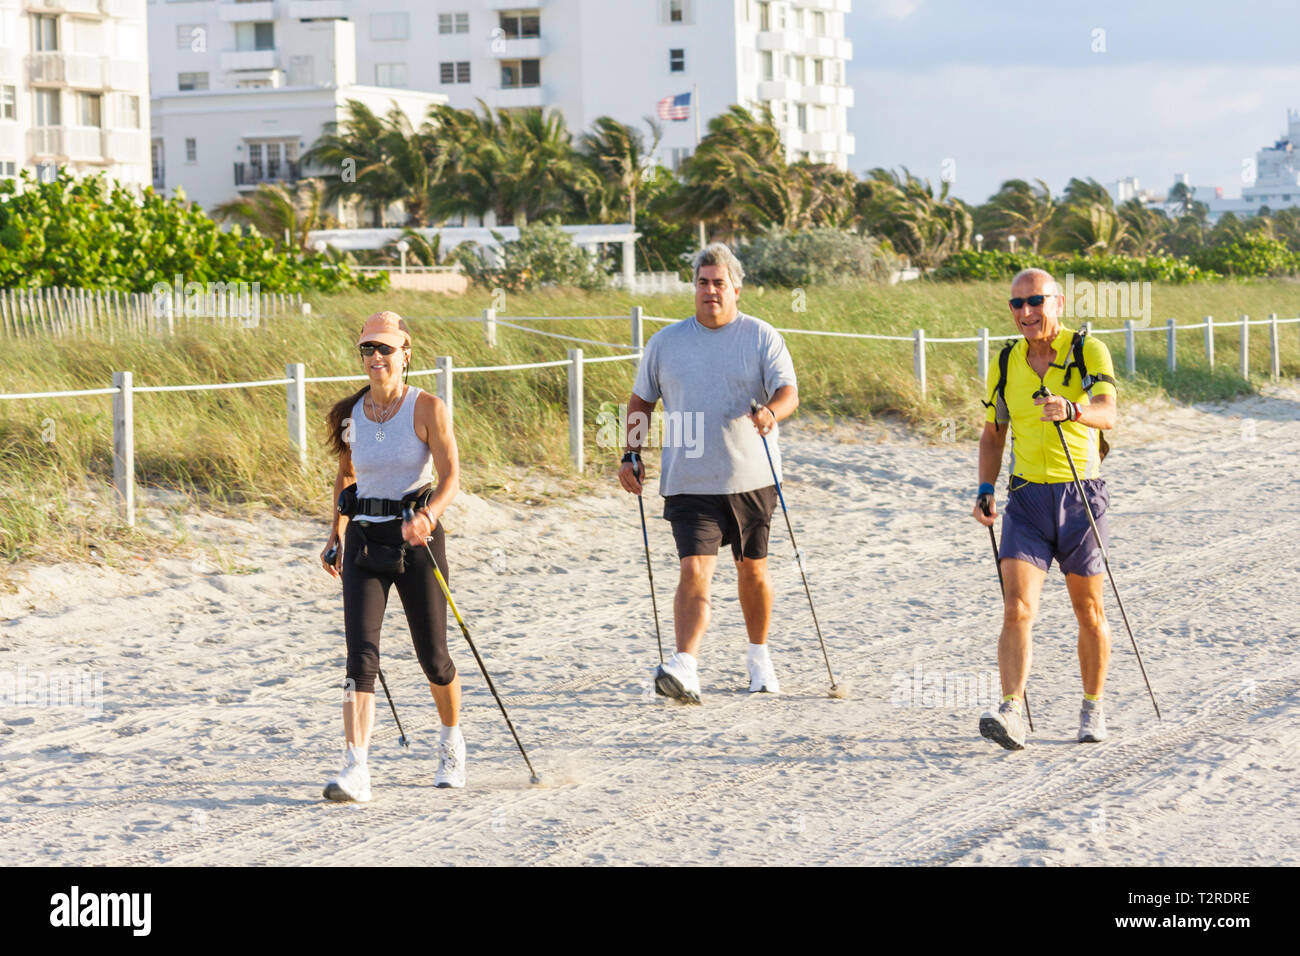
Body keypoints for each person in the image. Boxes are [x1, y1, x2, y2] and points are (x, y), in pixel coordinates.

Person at [619, 244, 799, 703]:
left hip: (751, 476)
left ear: (736, 288)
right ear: (693, 287)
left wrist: (771, 415)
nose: (710, 291)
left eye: (719, 283)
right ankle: (686, 665)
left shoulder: (761, 336)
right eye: (703, 282)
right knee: (693, 570)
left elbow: (788, 392)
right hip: (689, 479)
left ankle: (759, 657)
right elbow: (642, 401)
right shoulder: (666, 342)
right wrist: (630, 454)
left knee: (752, 572)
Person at [319, 311, 464, 799]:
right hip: (363, 539)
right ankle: (355, 767)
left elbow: (450, 479)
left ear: (406, 353)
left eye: (385, 348)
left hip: (416, 538)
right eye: (367, 348)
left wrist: (428, 516)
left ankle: (450, 741)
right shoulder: (350, 414)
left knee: (434, 659)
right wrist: (334, 534)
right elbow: (346, 477)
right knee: (360, 657)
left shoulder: (428, 408)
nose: (376, 357)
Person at [973, 268, 1118, 750]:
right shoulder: (1007, 359)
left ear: (1057, 302)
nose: (1026, 313)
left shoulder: (1087, 350)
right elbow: (995, 432)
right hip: (1027, 500)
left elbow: (1109, 412)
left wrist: (1073, 410)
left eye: (1035, 301)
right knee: (1016, 607)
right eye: (1017, 304)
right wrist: (985, 487)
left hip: (1081, 496)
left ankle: (1093, 706)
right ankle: (1011, 711)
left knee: (1089, 611)